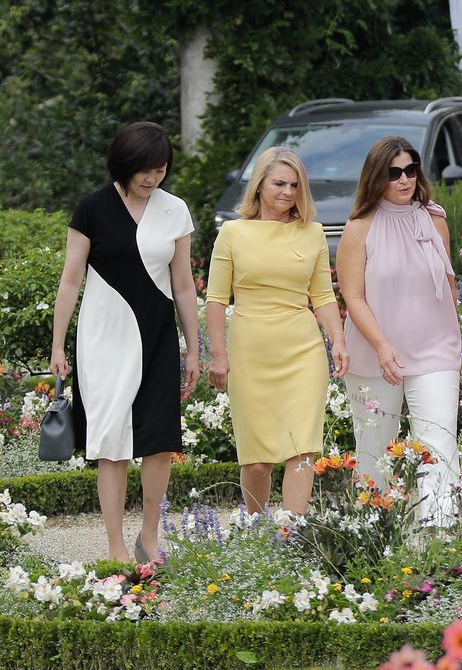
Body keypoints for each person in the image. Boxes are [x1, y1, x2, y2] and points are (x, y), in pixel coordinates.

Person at [49, 122, 200, 562]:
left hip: (156, 340)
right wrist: (58, 346)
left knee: (159, 441)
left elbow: (185, 284)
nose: (153, 179)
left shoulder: (175, 211)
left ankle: (148, 538)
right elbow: (71, 278)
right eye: (144, 170)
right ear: (124, 164)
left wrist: (194, 349)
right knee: (110, 443)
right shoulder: (91, 209)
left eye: (161, 169)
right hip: (102, 339)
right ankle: (115, 546)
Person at [206, 147, 348, 514]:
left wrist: (338, 341)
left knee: (301, 450)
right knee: (256, 461)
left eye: (295, 185)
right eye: (279, 183)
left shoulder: (312, 233)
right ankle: (258, 532)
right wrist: (217, 355)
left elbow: (322, 295)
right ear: (259, 186)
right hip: (250, 351)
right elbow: (216, 300)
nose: (287, 191)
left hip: (303, 350)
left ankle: (294, 538)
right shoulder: (233, 233)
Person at [339, 137, 462, 527]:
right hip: (375, 353)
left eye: (411, 170)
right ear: (377, 177)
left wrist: (455, 338)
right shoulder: (359, 228)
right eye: (394, 173)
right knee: (375, 449)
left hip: (435, 348)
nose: (405, 179)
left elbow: (448, 282)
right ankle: (379, 535)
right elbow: (353, 297)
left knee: (439, 442)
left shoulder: (435, 218)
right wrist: (381, 345)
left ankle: (439, 536)